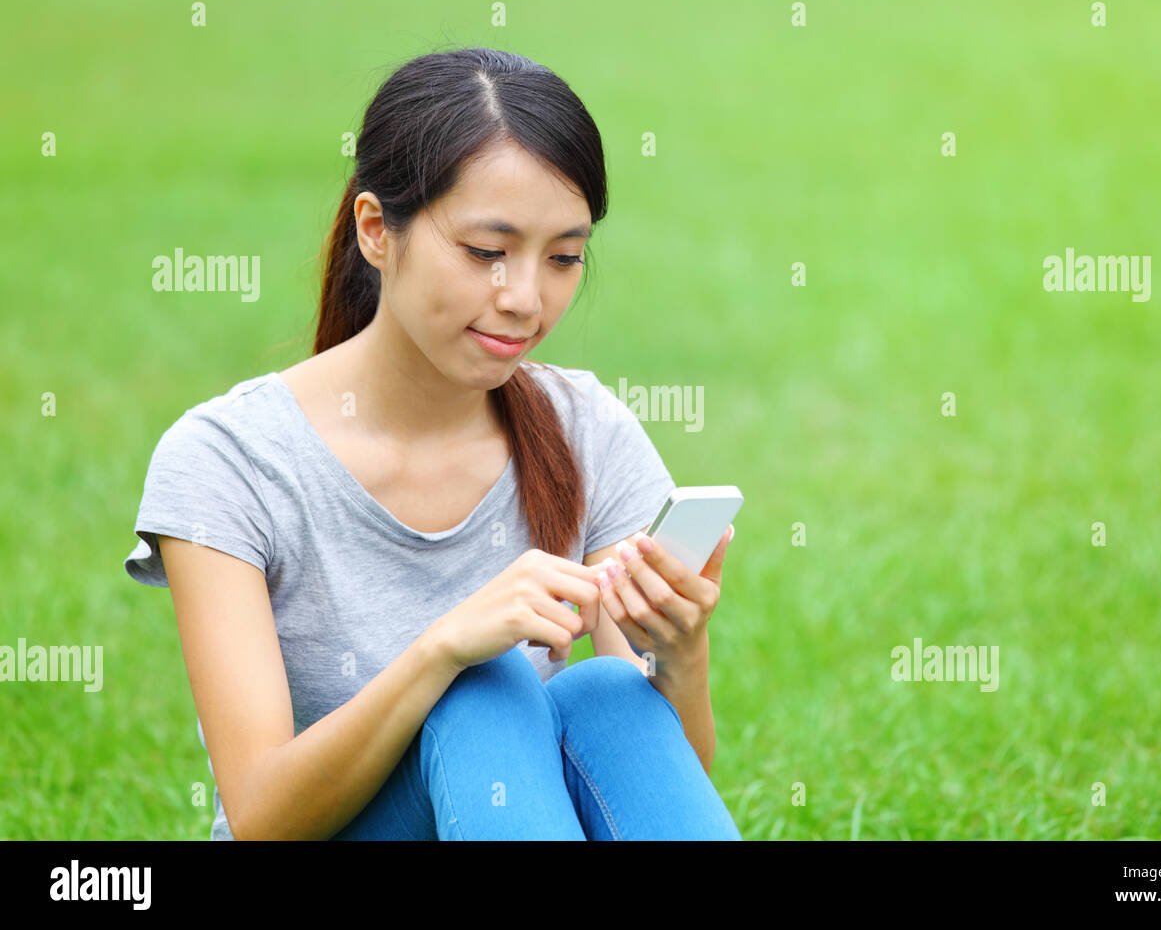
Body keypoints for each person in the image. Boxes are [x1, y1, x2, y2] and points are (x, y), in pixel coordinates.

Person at [122, 46, 742, 840]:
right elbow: (262, 816)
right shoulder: (227, 459)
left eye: (564, 258)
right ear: (378, 231)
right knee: (486, 691)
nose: (524, 299)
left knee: (610, 696)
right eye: (487, 252)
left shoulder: (589, 429)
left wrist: (681, 656)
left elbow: (648, 787)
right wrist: (441, 651)